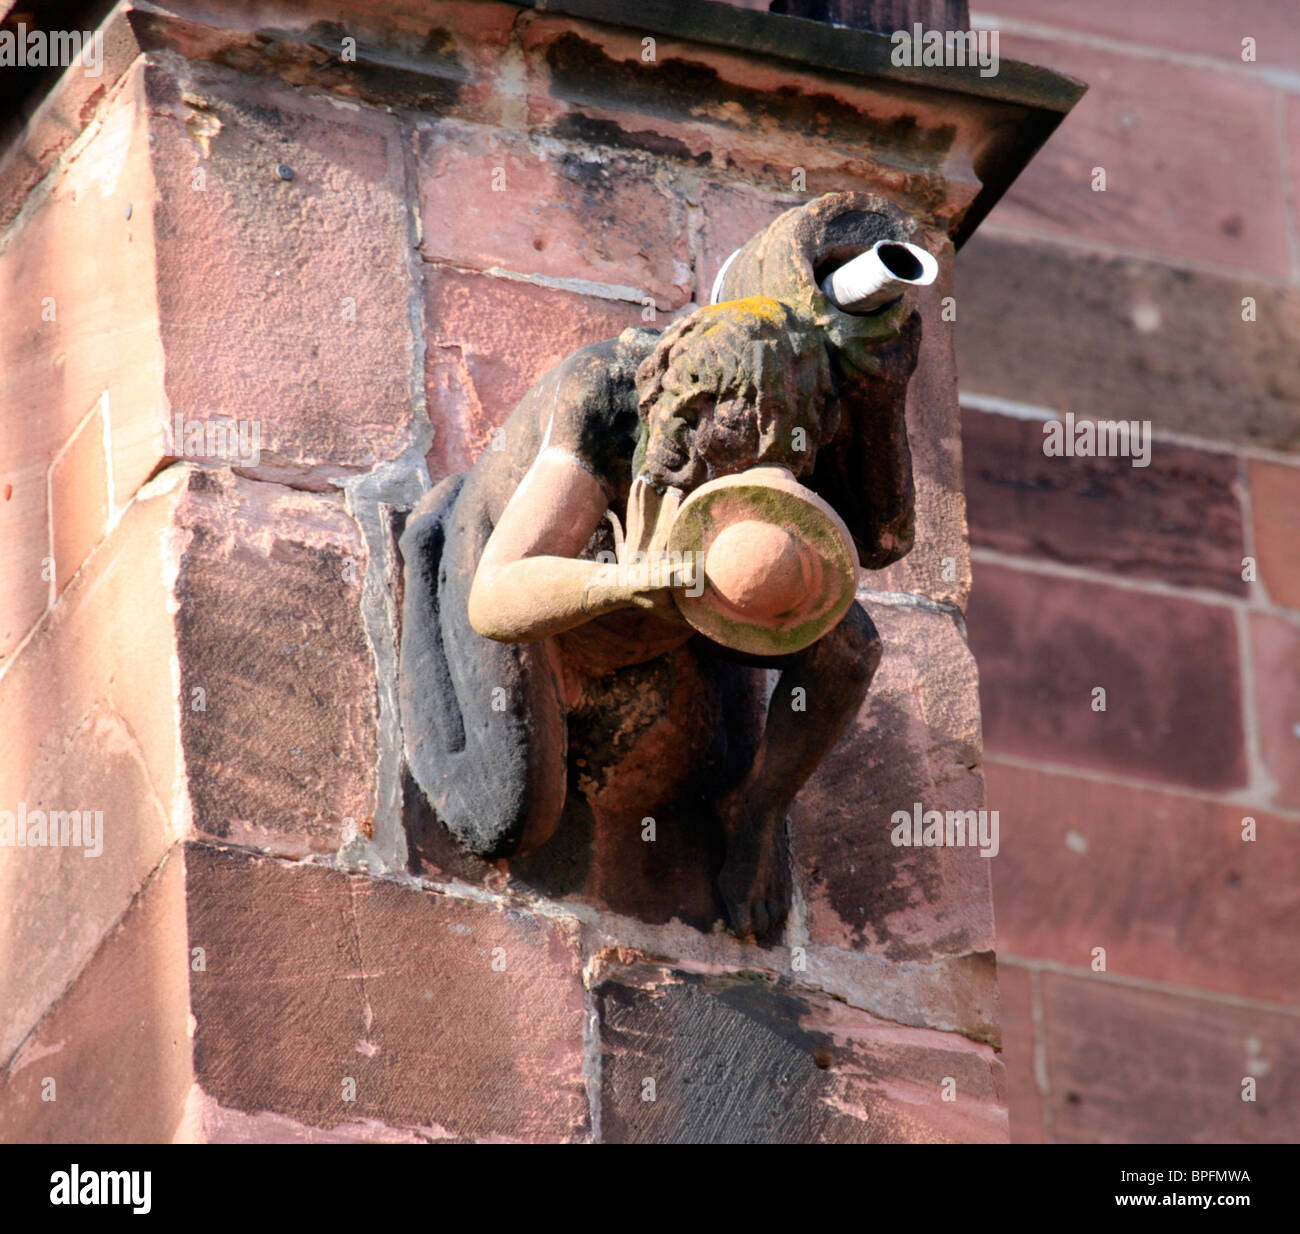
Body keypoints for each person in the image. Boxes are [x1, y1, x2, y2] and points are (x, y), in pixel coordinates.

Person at [399, 192, 926, 939]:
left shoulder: (795, 399)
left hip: (664, 590)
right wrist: (631, 580)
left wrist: (880, 380)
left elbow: (882, 537)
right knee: (501, 817)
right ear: (673, 440)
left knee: (848, 646)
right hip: (540, 570)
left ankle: (759, 811)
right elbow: (498, 597)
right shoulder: (605, 403)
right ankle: (428, 547)